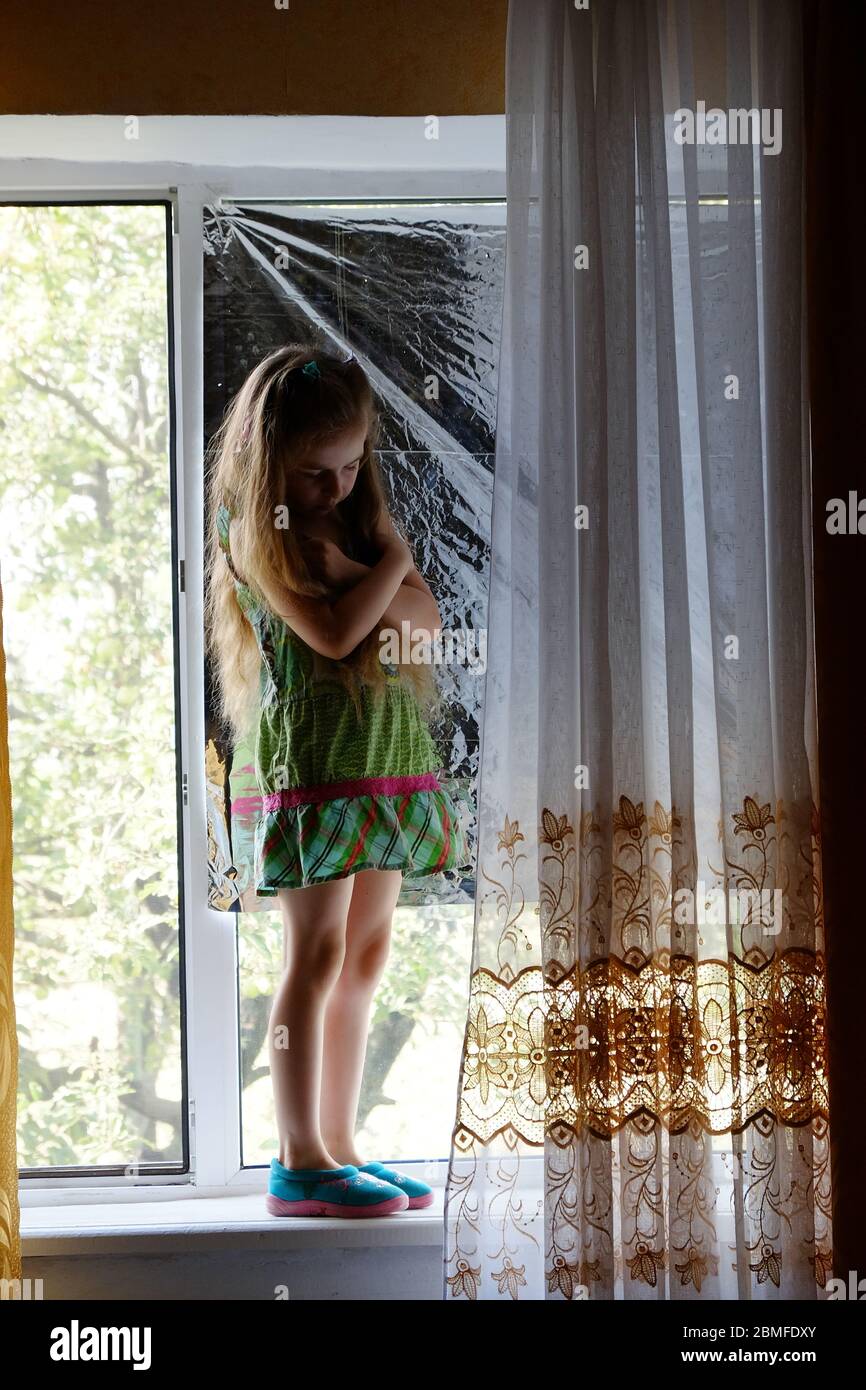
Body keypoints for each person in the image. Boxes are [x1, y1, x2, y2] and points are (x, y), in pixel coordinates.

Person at [204, 344, 468, 1217]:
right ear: (269, 462)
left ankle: (343, 1143)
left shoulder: (349, 530)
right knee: (314, 954)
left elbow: (423, 627)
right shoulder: (257, 533)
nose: (341, 486)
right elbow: (331, 634)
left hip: (380, 765)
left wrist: (376, 571)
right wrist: (390, 563)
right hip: (311, 771)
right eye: (317, 472)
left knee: (366, 953)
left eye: (354, 465)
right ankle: (299, 1159)